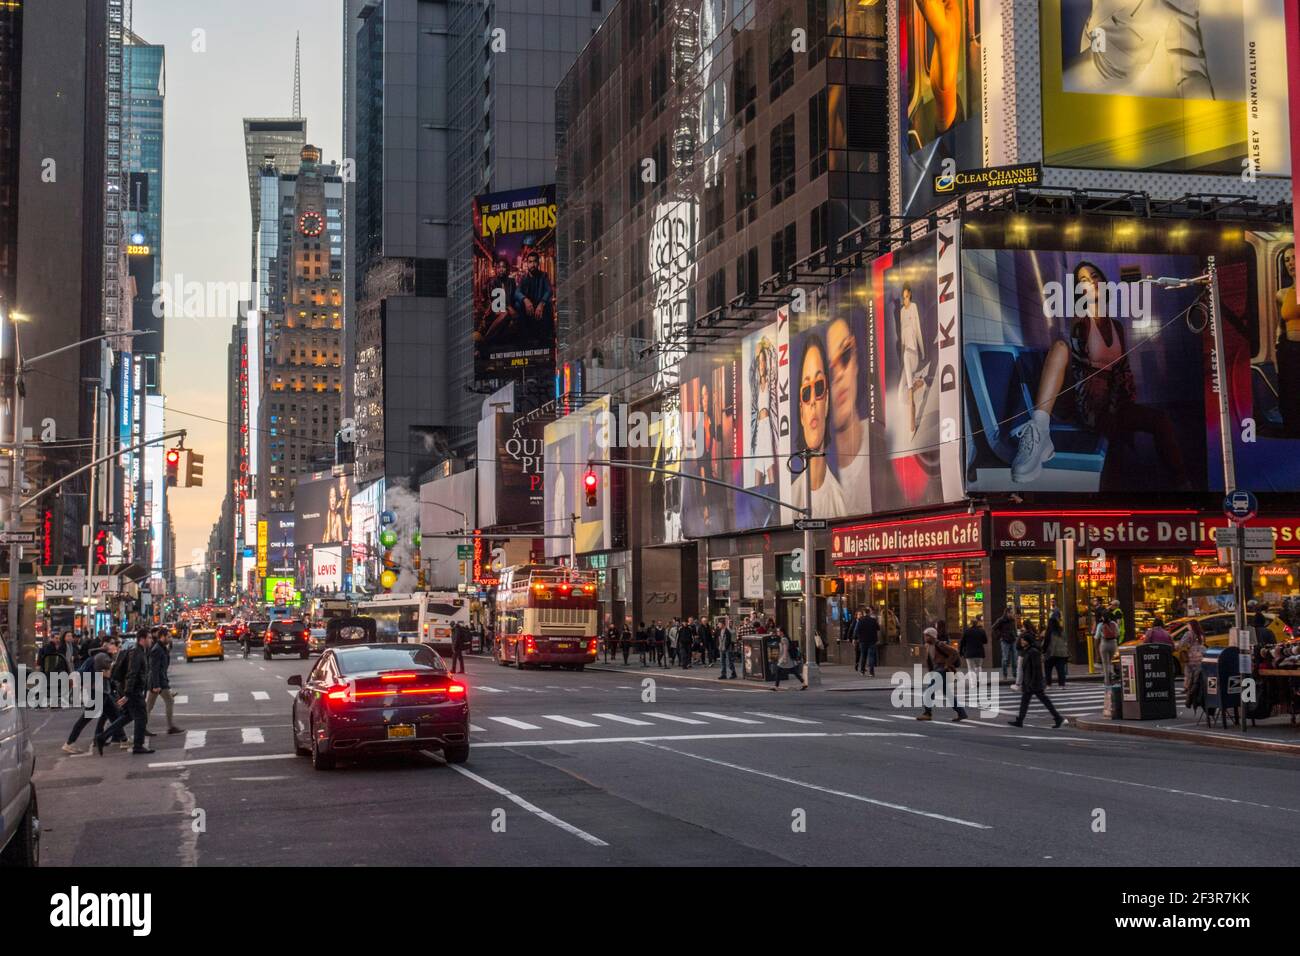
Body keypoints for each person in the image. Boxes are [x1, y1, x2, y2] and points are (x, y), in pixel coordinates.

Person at [1010, 261, 1189, 489]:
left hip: (1114, 402)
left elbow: (1123, 370)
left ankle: (1184, 486)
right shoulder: (1080, 322)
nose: (1091, 281)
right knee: (1060, 347)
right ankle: (1039, 431)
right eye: (1083, 280)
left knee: (1160, 420)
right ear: (1079, 291)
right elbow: (1078, 368)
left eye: (1094, 276)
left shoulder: (1117, 326)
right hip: (1083, 403)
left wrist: (1118, 401)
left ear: (1103, 281)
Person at [790, 334, 849, 518]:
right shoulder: (791, 500)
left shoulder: (840, 503)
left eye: (819, 387)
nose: (813, 401)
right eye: (806, 392)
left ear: (827, 402)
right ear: (801, 412)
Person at [95, 630, 156, 756]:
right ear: (142, 639)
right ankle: (138, 745)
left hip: (132, 690)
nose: (151, 640)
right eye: (149, 638)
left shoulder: (140, 652)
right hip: (133, 691)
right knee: (141, 717)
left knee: (128, 716)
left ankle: (102, 737)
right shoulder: (137, 653)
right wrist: (128, 693)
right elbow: (132, 674)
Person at [62, 644, 119, 754]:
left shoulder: (95, 657)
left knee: (114, 714)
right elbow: (106, 674)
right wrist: (113, 666)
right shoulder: (102, 657)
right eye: (114, 644)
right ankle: (69, 742)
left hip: (101, 691)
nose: (116, 647)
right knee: (85, 718)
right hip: (98, 691)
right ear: (107, 647)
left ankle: (123, 738)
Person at [1007, 627, 1065, 729]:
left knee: (1044, 701)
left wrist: (1032, 683)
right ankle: (1020, 720)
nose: (1021, 642)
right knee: (1028, 701)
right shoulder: (1028, 651)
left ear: (1028, 641)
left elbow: (1036, 668)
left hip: (1034, 683)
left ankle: (1058, 718)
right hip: (1030, 682)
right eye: (1021, 640)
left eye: (1023, 640)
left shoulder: (1033, 652)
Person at [897, 284, 928, 435]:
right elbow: (902, 335)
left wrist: (922, 351)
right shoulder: (901, 311)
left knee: (908, 392)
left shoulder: (913, 307)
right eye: (903, 298)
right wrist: (901, 356)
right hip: (905, 355)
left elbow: (918, 330)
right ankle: (920, 382)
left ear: (910, 296)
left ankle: (912, 424)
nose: (905, 300)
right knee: (900, 396)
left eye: (907, 297)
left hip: (914, 353)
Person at [918, 627, 967, 721]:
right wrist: (931, 671)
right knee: (947, 693)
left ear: (931, 636)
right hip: (937, 670)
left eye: (926, 636)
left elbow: (955, 652)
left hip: (942, 670)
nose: (924, 637)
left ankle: (927, 713)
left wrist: (947, 664)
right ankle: (961, 713)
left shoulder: (940, 644)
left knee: (929, 691)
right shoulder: (927, 646)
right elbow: (929, 660)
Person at [146, 629, 182, 736]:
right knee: (168, 702)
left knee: (149, 706)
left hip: (160, 681)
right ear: (162, 636)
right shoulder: (157, 649)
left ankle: (142, 727)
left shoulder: (162, 648)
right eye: (169, 637)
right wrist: (156, 685)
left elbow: (163, 668)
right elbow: (154, 669)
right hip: (157, 682)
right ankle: (170, 727)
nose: (170, 639)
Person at [1176, 618, 1206, 688]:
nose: (1187, 626)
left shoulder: (1189, 633)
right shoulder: (1201, 633)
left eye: (1188, 625)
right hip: (1201, 654)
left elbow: (1182, 643)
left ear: (1191, 625)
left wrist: (1176, 647)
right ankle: (1198, 687)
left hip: (1192, 656)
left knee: (1189, 673)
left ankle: (1189, 688)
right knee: (1198, 674)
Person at [1043, 608, 1069, 688]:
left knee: (1048, 668)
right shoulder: (1061, 630)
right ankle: (1062, 684)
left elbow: (1046, 641)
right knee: (1060, 669)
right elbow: (1065, 640)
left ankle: (1049, 684)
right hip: (1061, 653)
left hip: (1051, 653)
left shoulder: (1049, 630)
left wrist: (1043, 651)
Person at [1095, 606, 1119, 683]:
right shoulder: (1114, 623)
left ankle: (1107, 680)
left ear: (1102, 616)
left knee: (1105, 663)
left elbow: (1097, 637)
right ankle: (1112, 675)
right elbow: (1117, 634)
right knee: (1111, 661)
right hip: (1113, 644)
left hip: (1104, 644)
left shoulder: (1100, 625)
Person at [993, 605, 1017, 682]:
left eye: (1013, 613)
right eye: (1011, 613)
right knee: (1005, 659)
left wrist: (1015, 635)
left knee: (1014, 658)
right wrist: (1000, 636)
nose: (1013, 614)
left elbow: (1014, 629)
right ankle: (1005, 674)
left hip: (1013, 640)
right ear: (1007, 613)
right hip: (1005, 641)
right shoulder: (1001, 620)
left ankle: (1015, 674)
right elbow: (993, 628)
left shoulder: (1012, 620)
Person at [855, 607, 880, 677]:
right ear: (869, 612)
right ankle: (871, 672)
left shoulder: (860, 620)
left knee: (863, 656)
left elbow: (857, 630)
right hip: (872, 640)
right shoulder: (873, 620)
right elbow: (878, 628)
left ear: (864, 613)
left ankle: (862, 671)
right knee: (871, 656)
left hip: (863, 641)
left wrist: (858, 638)